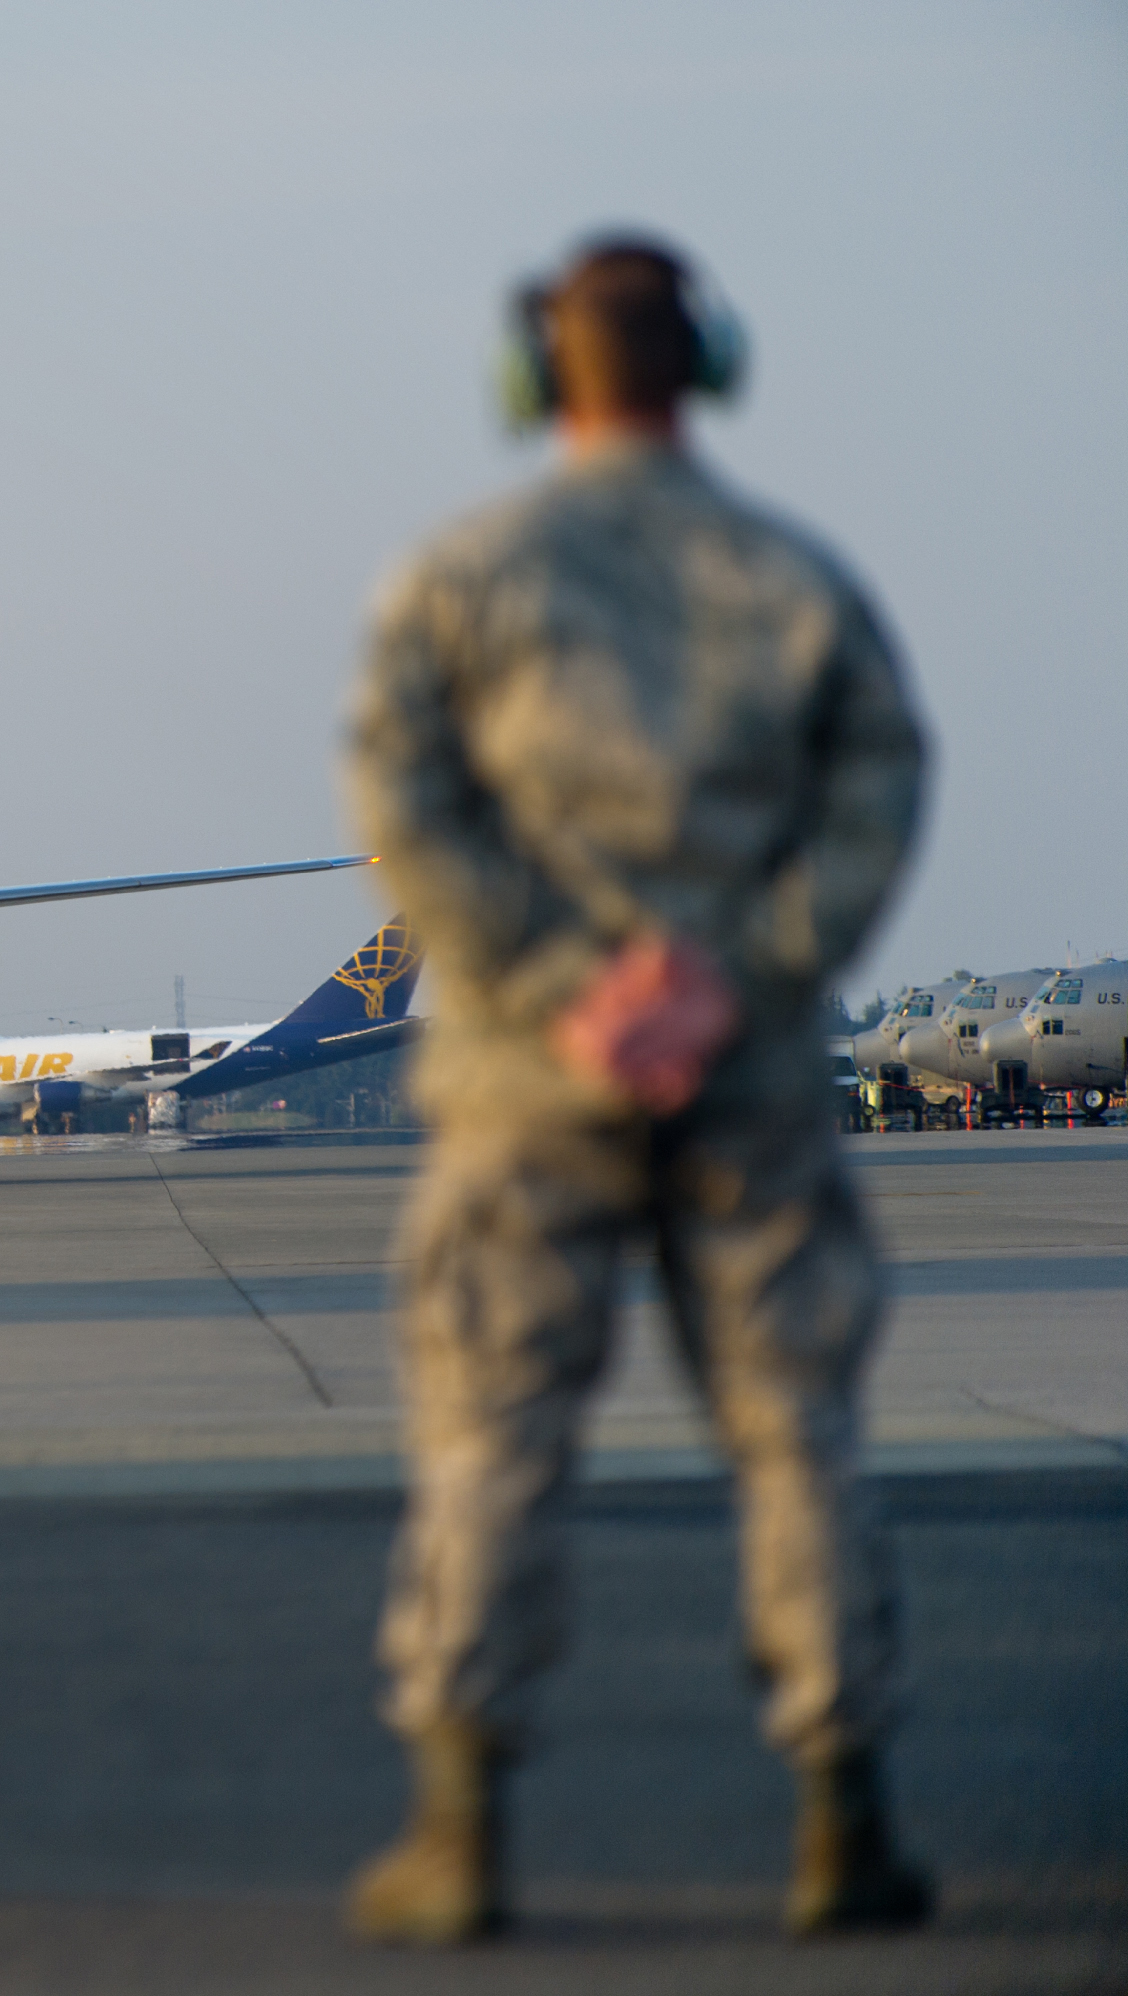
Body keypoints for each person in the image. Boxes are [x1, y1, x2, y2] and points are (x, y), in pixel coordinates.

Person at [339, 234, 932, 1943]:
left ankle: (460, 1834)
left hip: (529, 1089)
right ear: (711, 367)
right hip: (749, 1084)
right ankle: (842, 1823)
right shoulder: (795, 581)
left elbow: (403, 802)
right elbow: (878, 793)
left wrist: (564, 988)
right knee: (798, 1435)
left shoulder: (462, 578)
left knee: (492, 1434)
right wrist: (730, 976)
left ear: (537, 378)